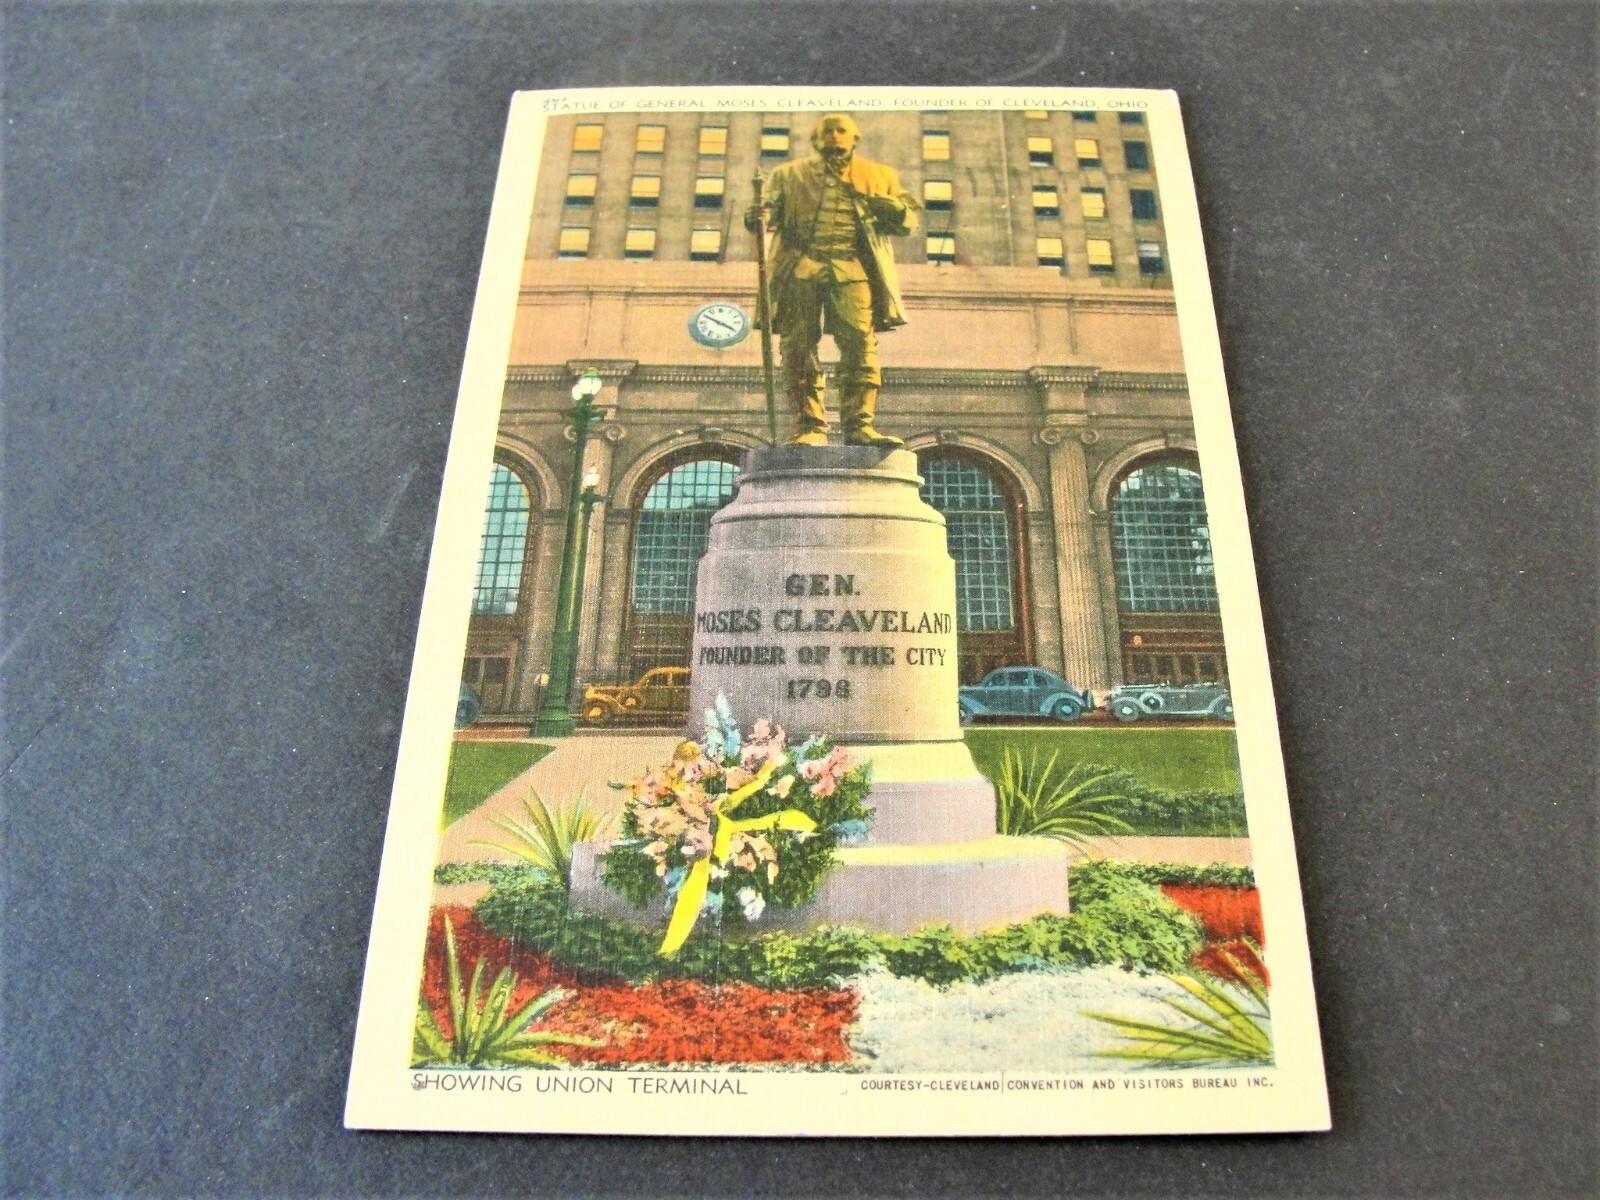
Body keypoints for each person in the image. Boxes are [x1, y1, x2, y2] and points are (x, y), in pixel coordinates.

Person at [745, 114, 920, 447]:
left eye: (842, 131)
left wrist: (894, 210)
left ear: (854, 139)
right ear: (816, 141)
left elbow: (908, 221)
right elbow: (766, 215)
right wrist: (755, 217)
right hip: (801, 267)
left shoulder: (881, 175)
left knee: (860, 344)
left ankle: (860, 426)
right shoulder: (788, 174)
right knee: (797, 346)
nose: (835, 137)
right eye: (828, 132)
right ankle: (810, 426)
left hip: (853, 269)